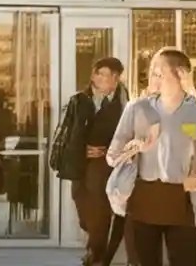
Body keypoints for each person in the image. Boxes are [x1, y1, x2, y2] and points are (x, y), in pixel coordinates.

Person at [107, 48, 196, 266]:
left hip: (181, 201)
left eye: (160, 72)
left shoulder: (194, 114)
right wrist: (135, 147)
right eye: (153, 72)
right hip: (142, 199)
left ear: (181, 75)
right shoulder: (137, 109)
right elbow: (112, 156)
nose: (153, 78)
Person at [50, 57, 133, 266]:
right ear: (94, 76)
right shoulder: (78, 101)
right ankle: (95, 250)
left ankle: (96, 257)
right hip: (80, 165)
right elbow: (65, 132)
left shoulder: (125, 103)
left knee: (101, 215)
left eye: (114, 75)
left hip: (107, 168)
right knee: (85, 215)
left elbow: (130, 134)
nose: (108, 79)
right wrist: (82, 150)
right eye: (103, 74)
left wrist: (111, 152)